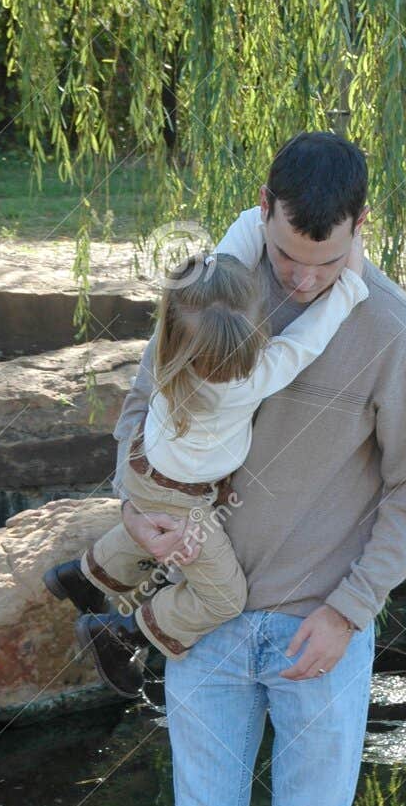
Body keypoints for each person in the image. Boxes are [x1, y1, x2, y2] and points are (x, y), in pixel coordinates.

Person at [107, 131, 406, 806]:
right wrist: (136, 504)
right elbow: (140, 411)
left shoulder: (392, 332)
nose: (301, 281)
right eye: (289, 258)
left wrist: (348, 613)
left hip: (316, 627)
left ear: (361, 232)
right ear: (262, 206)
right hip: (207, 621)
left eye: (325, 263)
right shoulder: (207, 293)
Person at [44, 213, 368, 692]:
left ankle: (83, 578)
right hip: (184, 495)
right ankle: (124, 632)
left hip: (144, 466)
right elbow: (313, 334)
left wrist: (261, 218)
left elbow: (221, 268)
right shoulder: (249, 379)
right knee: (222, 597)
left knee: (148, 530)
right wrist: (350, 265)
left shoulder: (170, 349)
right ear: (258, 329)